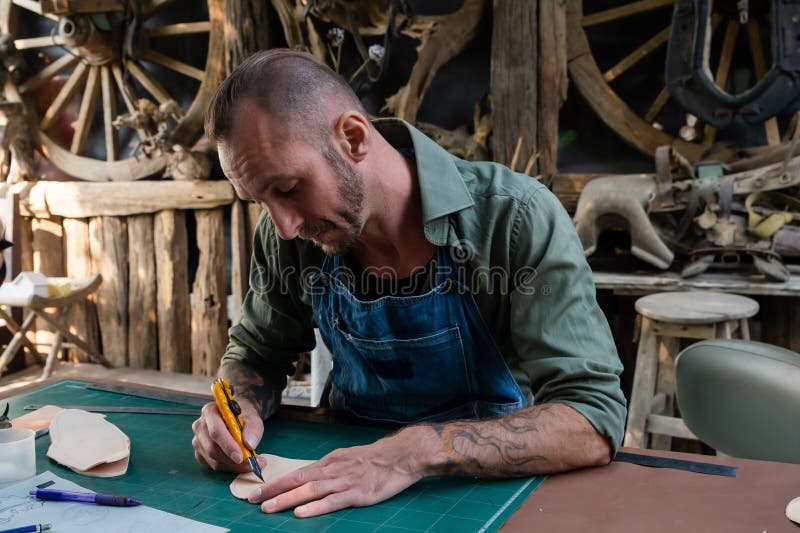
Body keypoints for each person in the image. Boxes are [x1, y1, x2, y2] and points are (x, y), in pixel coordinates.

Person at [192, 49, 626, 518]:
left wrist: (411, 453)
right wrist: (238, 408)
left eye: (289, 188)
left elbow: (592, 419)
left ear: (353, 138)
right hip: (341, 480)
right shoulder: (292, 234)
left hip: (485, 495)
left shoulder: (515, 218)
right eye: (259, 201)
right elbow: (258, 353)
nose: (284, 226)